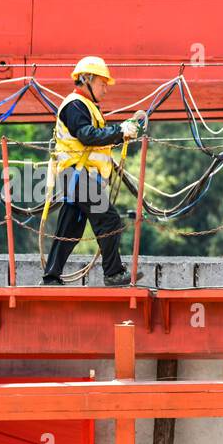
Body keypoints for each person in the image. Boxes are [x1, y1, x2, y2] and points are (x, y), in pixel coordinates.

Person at [41, 56, 147, 286]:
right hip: (77, 175)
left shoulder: (85, 107)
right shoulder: (74, 105)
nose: (106, 89)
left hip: (79, 177)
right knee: (109, 220)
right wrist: (120, 131)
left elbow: (93, 138)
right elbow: (87, 135)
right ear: (87, 80)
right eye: (102, 83)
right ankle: (113, 273)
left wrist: (121, 133)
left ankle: (51, 277)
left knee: (70, 228)